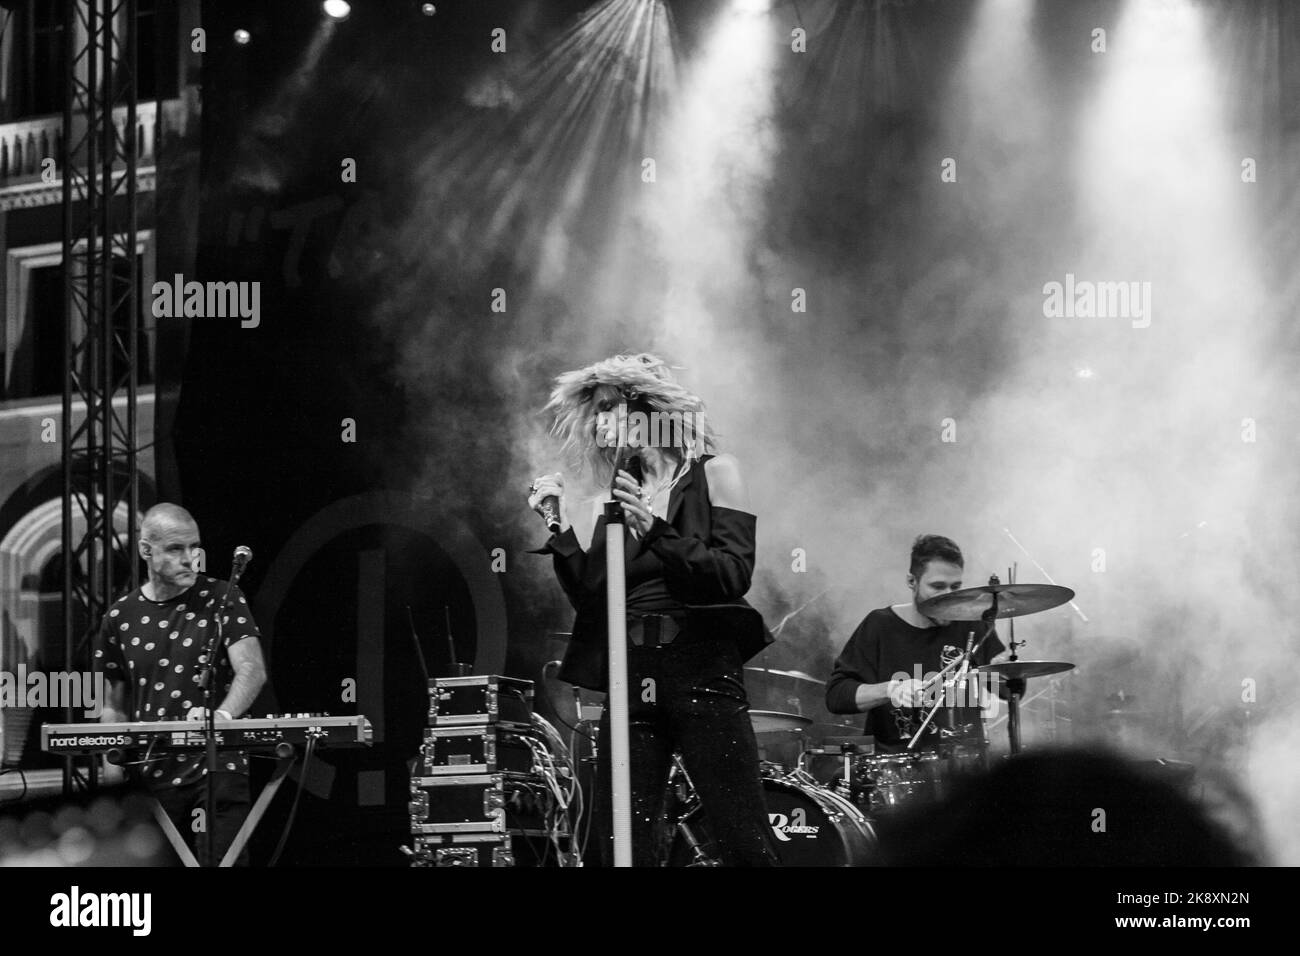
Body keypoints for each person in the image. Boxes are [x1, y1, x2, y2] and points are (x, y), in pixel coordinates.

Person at [528, 353, 777, 866]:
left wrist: (655, 532)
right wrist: (559, 528)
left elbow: (732, 573)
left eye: (608, 407)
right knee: (622, 841)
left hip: (701, 666)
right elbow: (594, 601)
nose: (599, 422)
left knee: (740, 832)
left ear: (647, 408)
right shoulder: (616, 500)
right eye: (593, 412)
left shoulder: (717, 475)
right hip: (631, 673)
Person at [94, 503, 267, 866]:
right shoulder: (119, 617)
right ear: (146, 551)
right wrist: (112, 784)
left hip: (217, 768)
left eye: (194, 547)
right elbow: (114, 707)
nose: (191, 559)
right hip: (151, 776)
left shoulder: (222, 597)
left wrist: (223, 714)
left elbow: (251, 669)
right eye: (176, 549)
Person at [825, 534, 1004, 753]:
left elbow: (1007, 690)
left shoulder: (973, 625)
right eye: (938, 587)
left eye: (955, 587)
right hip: (896, 771)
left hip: (964, 769)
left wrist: (1009, 672)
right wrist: (890, 690)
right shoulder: (880, 626)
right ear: (912, 582)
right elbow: (836, 697)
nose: (948, 596)